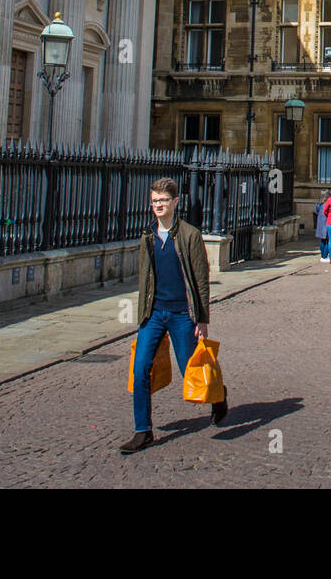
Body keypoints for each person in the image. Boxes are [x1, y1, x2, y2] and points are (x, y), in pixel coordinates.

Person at [122, 178, 220, 455]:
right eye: (154, 201)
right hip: (153, 314)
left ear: (175, 202)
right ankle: (143, 431)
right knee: (140, 368)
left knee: (193, 369)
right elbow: (145, 277)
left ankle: (218, 397)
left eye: (162, 201)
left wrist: (202, 319)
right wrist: (142, 314)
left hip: (180, 314)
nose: (158, 206)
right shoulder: (148, 235)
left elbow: (201, 280)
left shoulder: (189, 235)